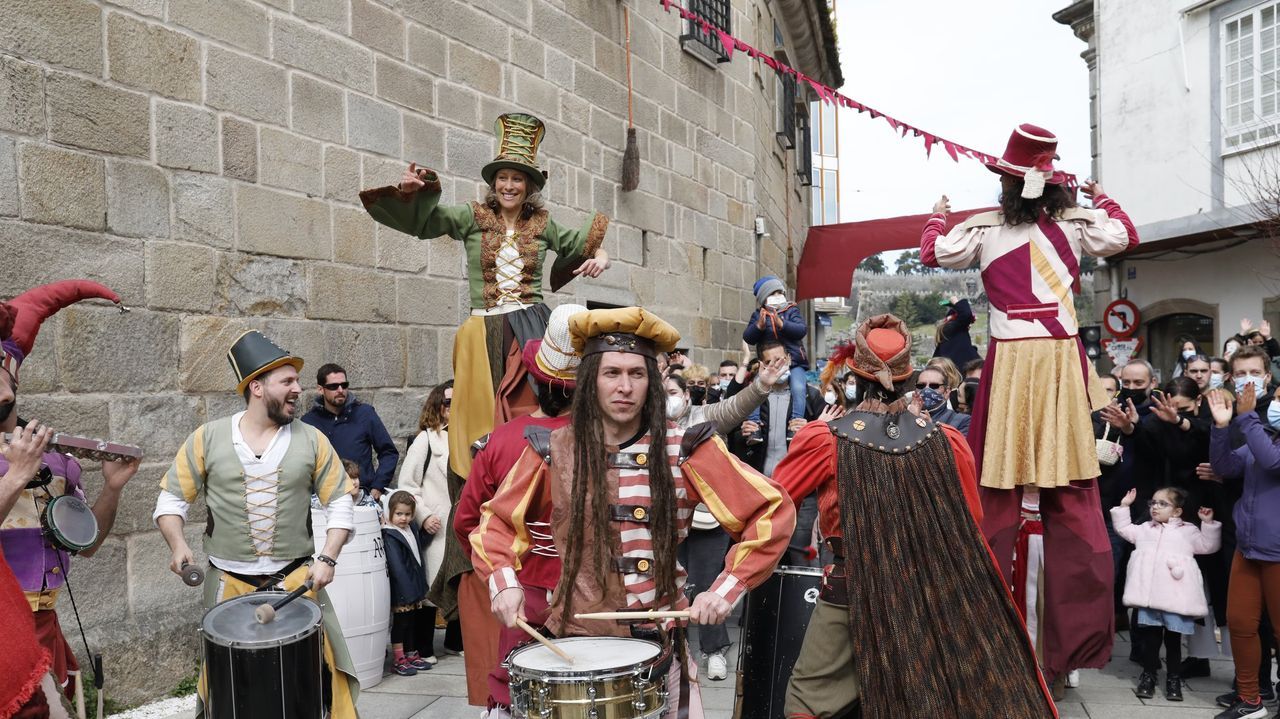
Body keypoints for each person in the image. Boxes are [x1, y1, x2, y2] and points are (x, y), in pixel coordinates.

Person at [470, 307, 796, 717]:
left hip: (659, 646)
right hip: (576, 641)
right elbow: (495, 524)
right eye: (611, 373)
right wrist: (503, 583)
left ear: (652, 382)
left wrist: (725, 589)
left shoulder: (686, 448)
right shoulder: (554, 449)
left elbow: (771, 510)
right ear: (590, 380)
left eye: (636, 374)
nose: (624, 387)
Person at [921, 123, 1139, 684]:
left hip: (1015, 364)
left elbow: (932, 252)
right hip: (1061, 360)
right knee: (1068, 491)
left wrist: (938, 214)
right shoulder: (1077, 223)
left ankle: (994, 647)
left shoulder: (983, 228)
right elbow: (1126, 235)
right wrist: (1102, 197)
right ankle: (1057, 659)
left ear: (1008, 183)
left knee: (999, 488)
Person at [773, 314, 1055, 719]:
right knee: (925, 695)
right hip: (930, 589)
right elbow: (970, 525)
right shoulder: (947, 441)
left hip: (850, 590)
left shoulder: (825, 439)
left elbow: (774, 504)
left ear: (854, 378)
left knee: (806, 704)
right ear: (909, 380)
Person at [359, 112, 610, 485]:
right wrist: (411, 192)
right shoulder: (472, 217)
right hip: (481, 328)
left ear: (529, 187)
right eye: (503, 178)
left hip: (530, 324)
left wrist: (601, 258)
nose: (509, 185)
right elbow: (427, 222)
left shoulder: (543, 225)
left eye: (517, 179)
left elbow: (582, 244)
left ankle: (538, 478)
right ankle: (482, 486)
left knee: (537, 404)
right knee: (477, 414)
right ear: (494, 183)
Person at [153, 330, 359, 718]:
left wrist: (328, 558)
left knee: (315, 684)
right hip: (227, 585)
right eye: (288, 381)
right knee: (232, 689)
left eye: (297, 380)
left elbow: (341, 502)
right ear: (257, 387)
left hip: (297, 582)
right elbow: (171, 500)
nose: (299, 388)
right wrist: (177, 545)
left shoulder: (313, 440)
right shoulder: (206, 438)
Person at [0, 281, 141, 703]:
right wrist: (16, 474)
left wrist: (111, 490)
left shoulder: (57, 461)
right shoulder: (30, 462)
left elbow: (89, 545)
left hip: (46, 626)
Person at [452, 303, 583, 717]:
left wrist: (501, 576)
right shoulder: (603, 441)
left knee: (517, 691)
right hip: (590, 596)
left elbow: (468, 523)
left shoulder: (501, 441)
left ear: (531, 380)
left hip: (520, 591)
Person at [663, 358, 789, 682]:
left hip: (707, 524)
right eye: (662, 392)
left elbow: (734, 407)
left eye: (673, 392)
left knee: (709, 587)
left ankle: (714, 651)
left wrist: (761, 385)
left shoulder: (701, 422)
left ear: (687, 396)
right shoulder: (644, 432)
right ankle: (676, 652)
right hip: (668, 529)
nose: (668, 398)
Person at [1208, 374, 1280, 719]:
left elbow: (1273, 462)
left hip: (1278, 553)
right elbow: (1225, 466)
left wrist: (1247, 416)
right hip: (1248, 548)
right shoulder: (1263, 434)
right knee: (1239, 622)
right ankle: (1250, 700)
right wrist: (1222, 428)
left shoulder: (1259, 432)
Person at [1112, 486, 1220, 701]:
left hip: (1175, 599)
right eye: (1153, 503)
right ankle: (1149, 675)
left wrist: (1208, 525)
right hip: (1150, 598)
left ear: (1177, 511)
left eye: (1163, 504)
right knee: (1150, 640)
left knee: (1173, 641)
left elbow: (1207, 546)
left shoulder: (1188, 531)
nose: (1155, 507)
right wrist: (1124, 507)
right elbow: (1124, 529)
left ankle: (1173, 678)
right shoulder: (1144, 529)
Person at [395, 381, 453, 664]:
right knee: (430, 589)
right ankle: (425, 648)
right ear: (438, 407)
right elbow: (407, 484)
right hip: (437, 525)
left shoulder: (471, 436)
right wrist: (425, 514)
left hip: (464, 525)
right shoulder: (426, 440)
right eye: (448, 404)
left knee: (462, 584)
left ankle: (456, 641)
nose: (453, 409)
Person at [301, 363, 399, 501]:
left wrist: (377, 487)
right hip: (323, 500)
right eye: (333, 386)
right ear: (320, 389)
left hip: (361, 496)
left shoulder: (365, 414)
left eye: (344, 385)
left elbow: (388, 452)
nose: (340, 390)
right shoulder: (309, 422)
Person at [743, 276, 809, 442]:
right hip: (769, 365)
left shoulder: (791, 310)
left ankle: (795, 425)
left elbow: (801, 330)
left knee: (799, 388)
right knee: (756, 386)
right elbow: (748, 337)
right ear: (764, 299)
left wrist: (782, 324)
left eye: (780, 292)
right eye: (773, 293)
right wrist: (758, 327)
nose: (778, 296)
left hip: (793, 362)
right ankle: (754, 425)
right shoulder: (758, 315)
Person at [382, 490, 434, 677]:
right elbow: (397, 566)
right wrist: (408, 589)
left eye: (408, 514)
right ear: (389, 513)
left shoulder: (409, 529)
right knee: (401, 624)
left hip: (414, 586)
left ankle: (411, 653)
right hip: (402, 589)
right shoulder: (389, 535)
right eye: (398, 514)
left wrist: (428, 533)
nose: (403, 518)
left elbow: (417, 547)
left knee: (412, 622)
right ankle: (399, 658)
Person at [916, 363, 970, 436]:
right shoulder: (903, 418)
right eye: (921, 385)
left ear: (947, 392)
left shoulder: (962, 421)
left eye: (934, 386)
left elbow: (957, 446)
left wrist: (931, 429)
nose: (926, 389)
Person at [933, 295, 980, 368]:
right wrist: (956, 302)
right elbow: (966, 314)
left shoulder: (948, 332)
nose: (969, 325)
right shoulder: (953, 329)